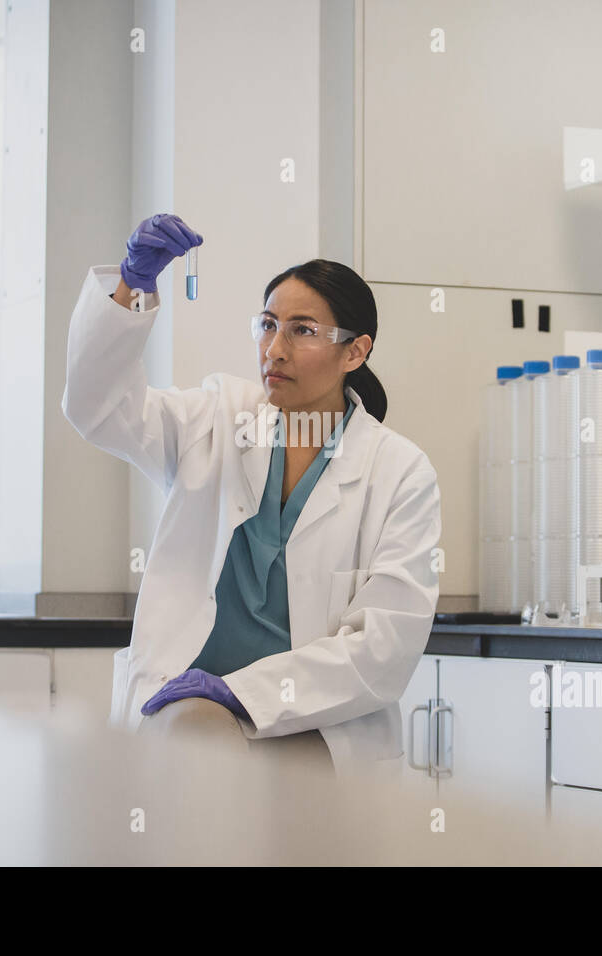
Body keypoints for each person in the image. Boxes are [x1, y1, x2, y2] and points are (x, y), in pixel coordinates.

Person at [61, 213, 442, 780]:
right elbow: (99, 407)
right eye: (267, 325)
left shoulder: (400, 472)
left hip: (317, 728)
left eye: (302, 330)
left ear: (355, 352)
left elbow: (383, 647)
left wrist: (241, 693)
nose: (275, 348)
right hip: (187, 710)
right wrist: (133, 285)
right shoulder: (217, 418)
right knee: (191, 752)